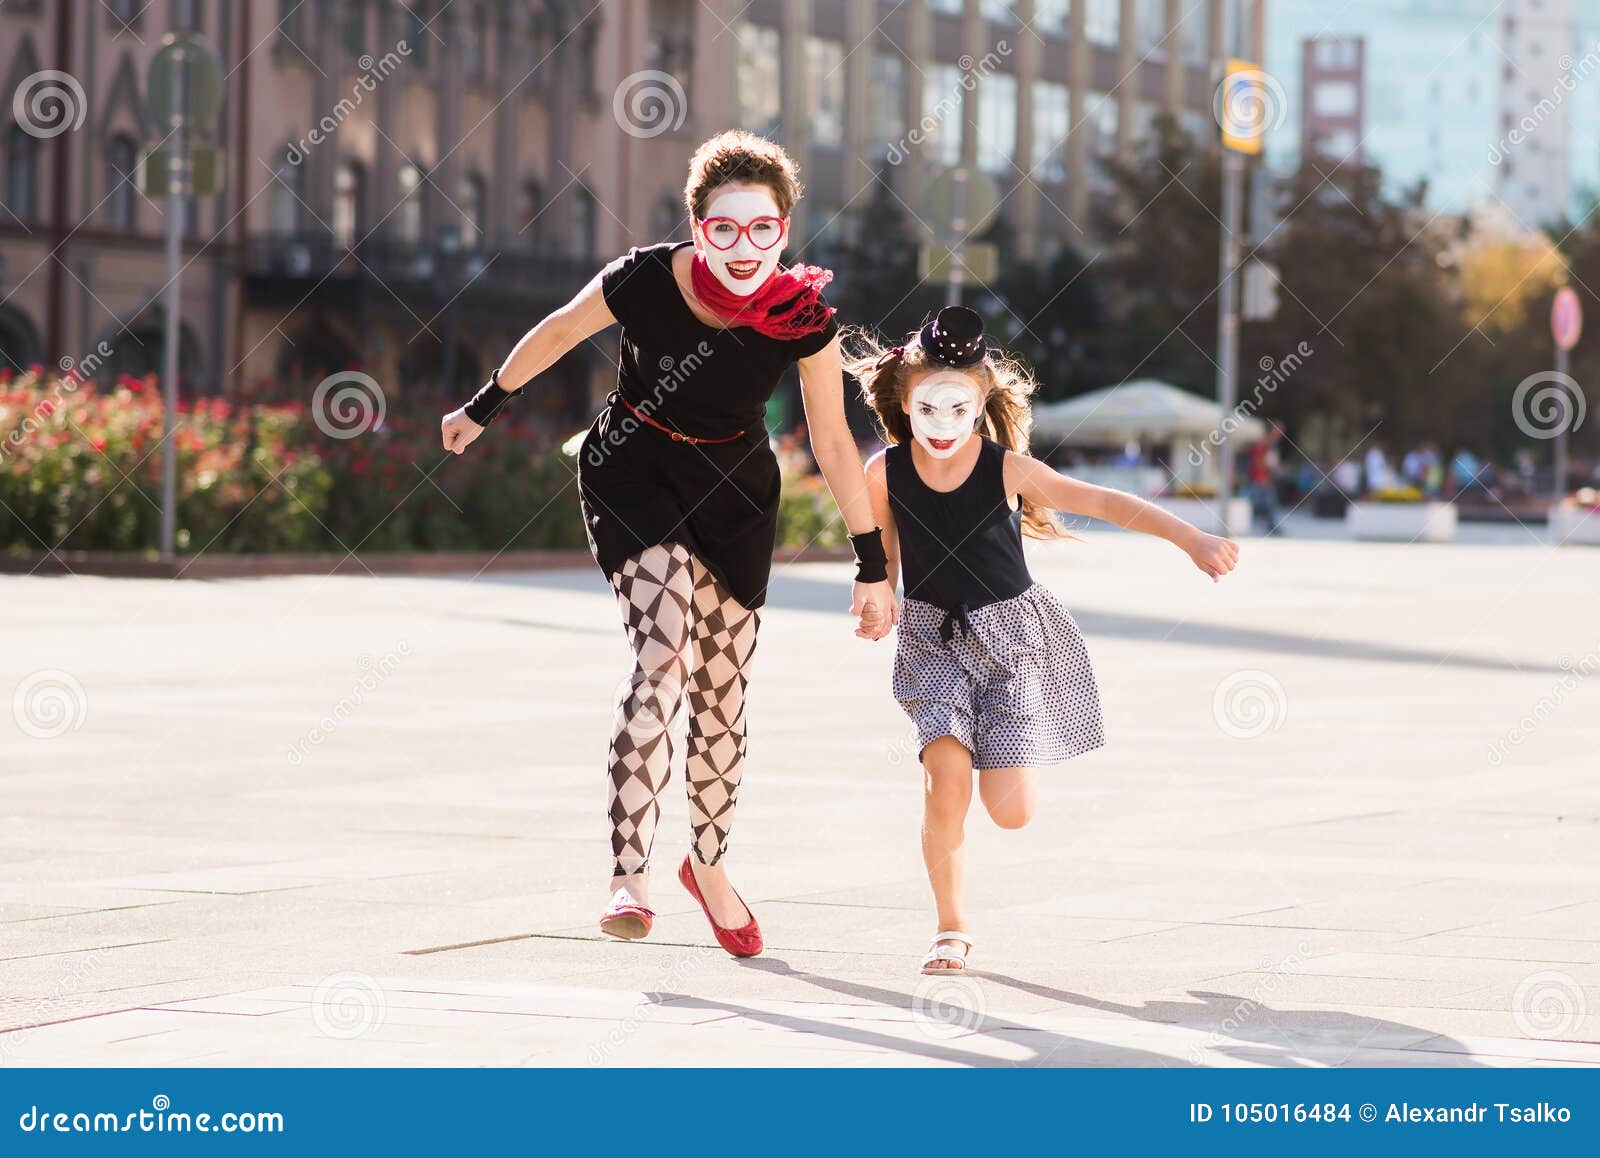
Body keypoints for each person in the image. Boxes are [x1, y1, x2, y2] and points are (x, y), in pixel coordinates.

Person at [440, 131, 899, 959]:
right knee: (663, 658)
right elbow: (558, 330)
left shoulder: (803, 319)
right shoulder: (644, 278)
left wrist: (872, 564)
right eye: (724, 229)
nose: (743, 248)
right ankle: (628, 874)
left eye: (762, 230)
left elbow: (833, 442)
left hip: (735, 496)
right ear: (697, 223)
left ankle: (710, 866)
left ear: (785, 230)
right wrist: (483, 404)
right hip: (632, 470)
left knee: (723, 693)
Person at [846, 308, 1240, 975]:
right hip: (933, 639)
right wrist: (875, 598)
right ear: (904, 404)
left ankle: (1007, 756)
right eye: (927, 410)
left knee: (1011, 813)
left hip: (1011, 641)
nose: (942, 426)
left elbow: (1109, 503)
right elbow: (877, 555)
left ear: (981, 406)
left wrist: (1192, 538)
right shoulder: (885, 472)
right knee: (945, 782)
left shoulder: (1006, 469)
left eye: (958, 410)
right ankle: (950, 927)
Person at [1246, 421, 1285, 536]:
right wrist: (1268, 469)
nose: (1280, 434)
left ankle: (1271, 526)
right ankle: (1271, 526)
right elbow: (1258, 462)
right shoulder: (1261, 444)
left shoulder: (1270, 445)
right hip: (1259, 479)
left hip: (1265, 479)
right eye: (1277, 431)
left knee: (1268, 503)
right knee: (1255, 503)